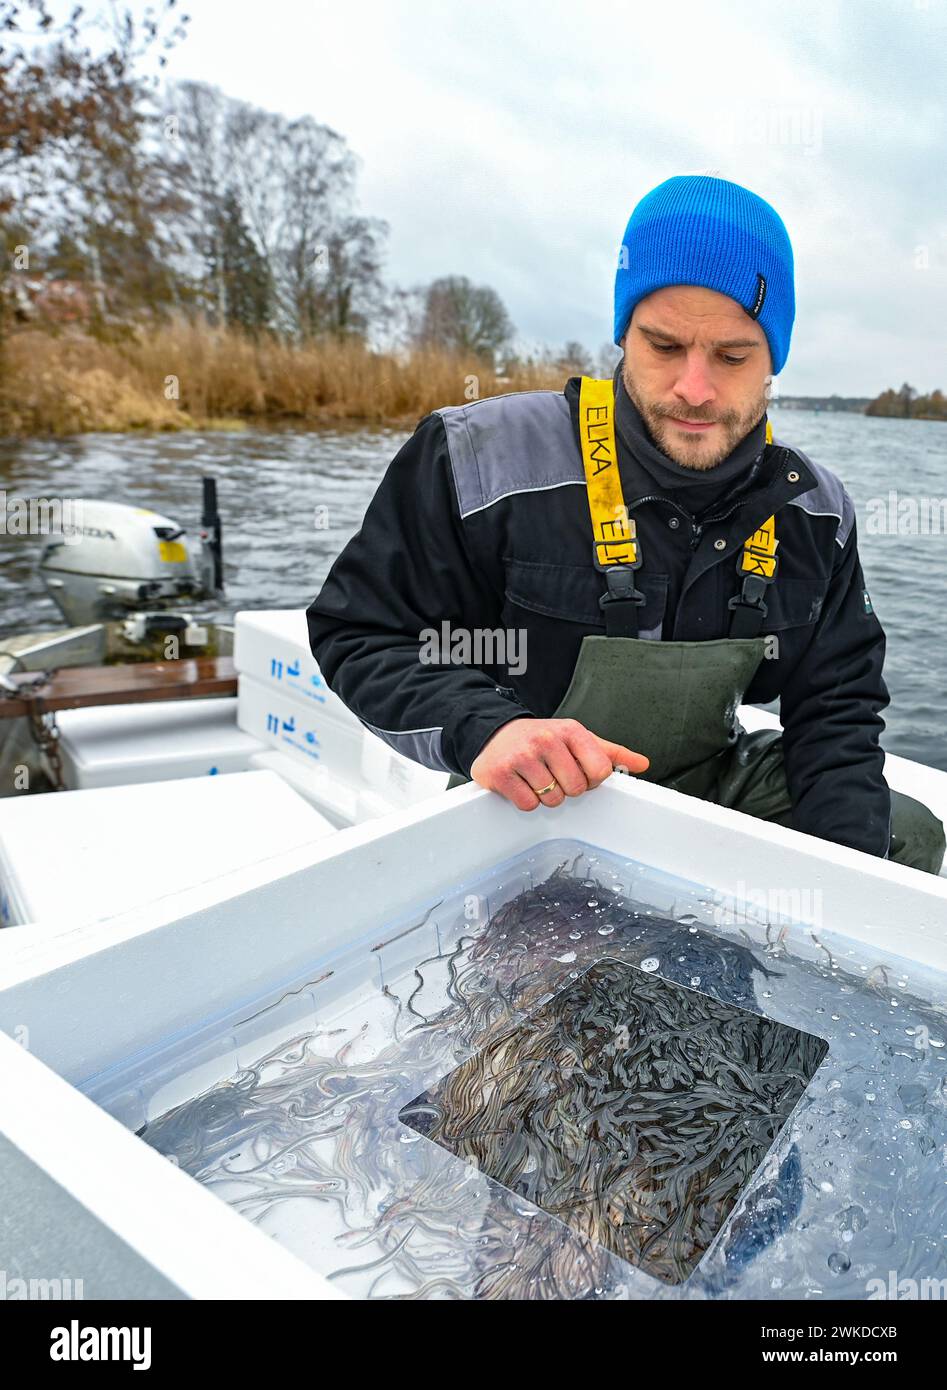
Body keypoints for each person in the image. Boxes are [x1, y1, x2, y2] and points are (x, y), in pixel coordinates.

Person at [307, 174, 945, 875]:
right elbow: (363, 632)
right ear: (623, 336)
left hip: (709, 783)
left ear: (774, 360)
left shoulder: (815, 512)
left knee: (902, 834)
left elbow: (835, 710)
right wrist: (484, 727)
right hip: (537, 800)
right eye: (664, 346)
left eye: (732, 356)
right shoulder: (476, 456)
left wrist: (846, 888)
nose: (694, 390)